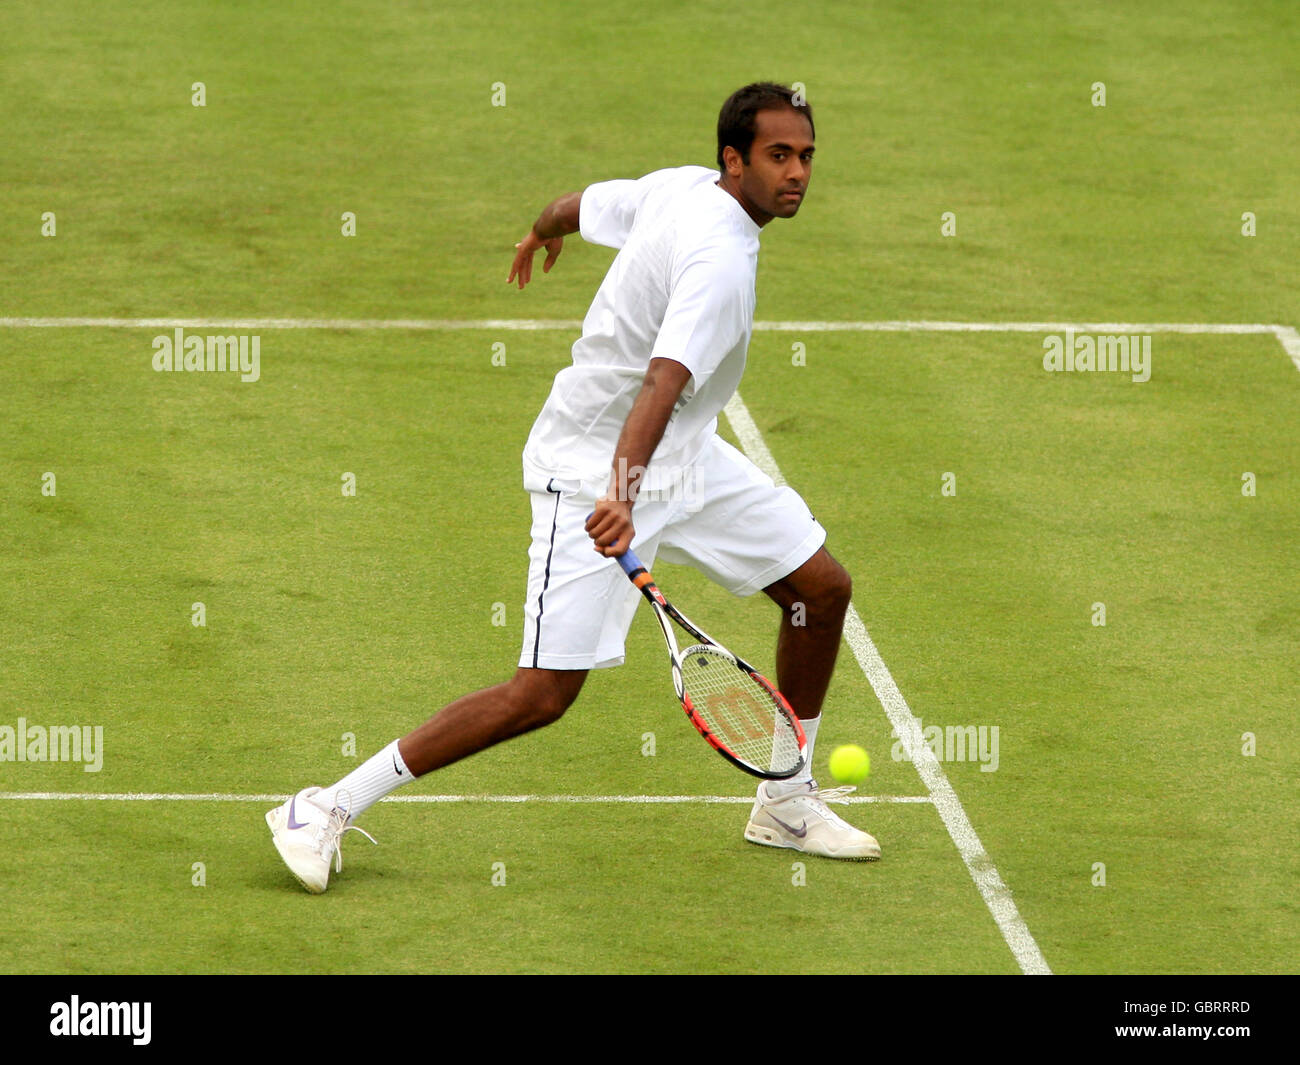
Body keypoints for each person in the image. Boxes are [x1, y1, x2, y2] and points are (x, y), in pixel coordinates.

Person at [267, 82, 880, 894]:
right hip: (595, 468)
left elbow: (583, 204)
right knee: (542, 693)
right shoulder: (720, 259)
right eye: (778, 156)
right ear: (734, 161)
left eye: (805, 156)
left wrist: (539, 227)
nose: (797, 171)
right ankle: (325, 805)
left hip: (684, 457)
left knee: (819, 586)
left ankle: (785, 800)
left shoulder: (680, 185)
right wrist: (622, 494)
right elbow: (661, 382)